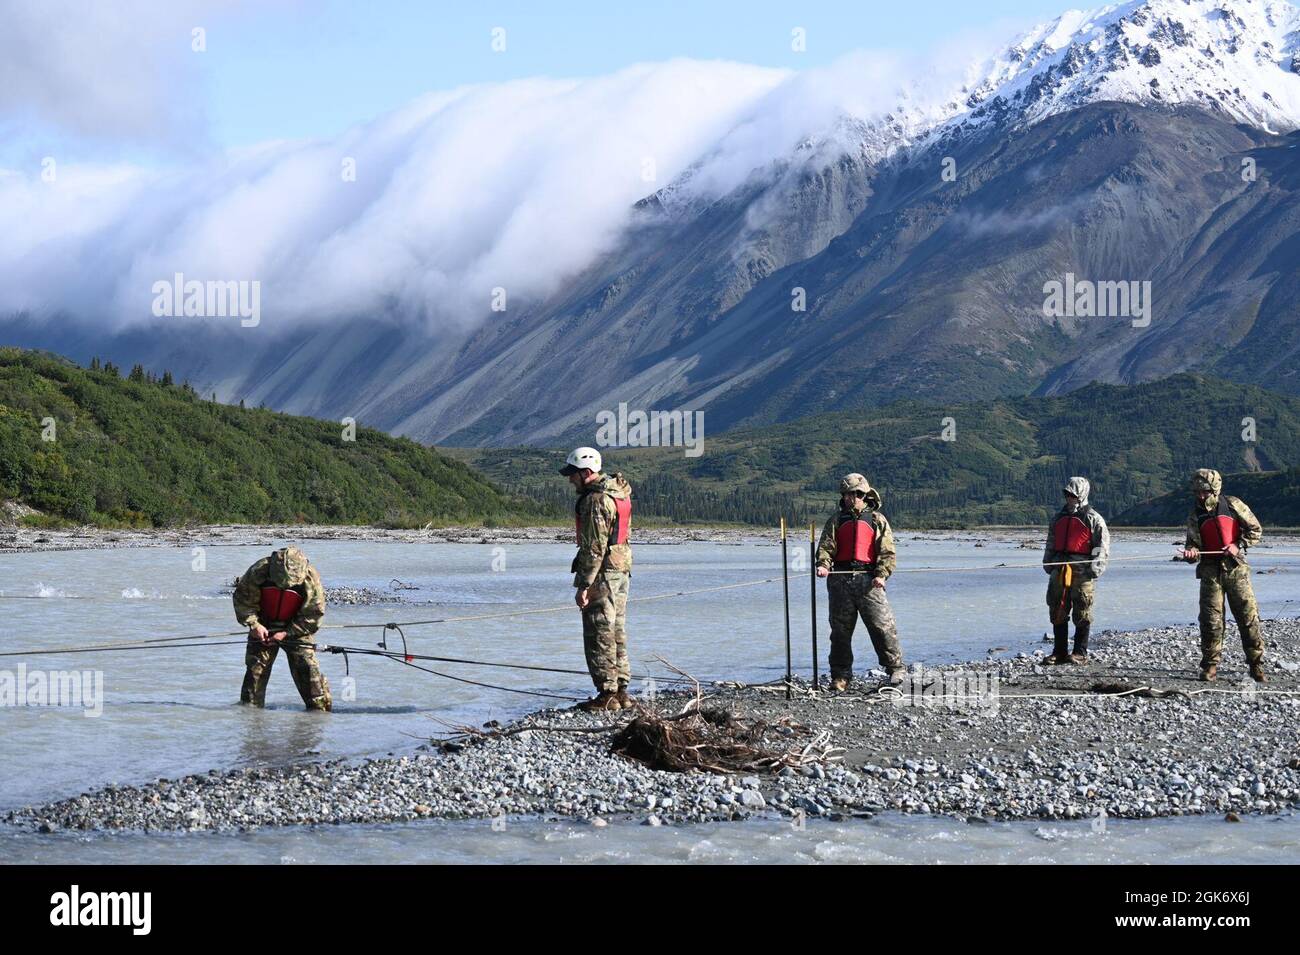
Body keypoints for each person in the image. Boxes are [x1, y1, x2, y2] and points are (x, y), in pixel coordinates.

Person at [815, 473, 905, 691]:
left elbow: (887, 551)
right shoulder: (836, 520)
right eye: (846, 494)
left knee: (882, 626)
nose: (849, 498)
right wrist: (824, 565)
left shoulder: (877, 520)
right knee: (839, 632)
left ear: (863, 495)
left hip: (869, 581)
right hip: (839, 582)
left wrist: (881, 575)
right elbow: (826, 547)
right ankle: (840, 676)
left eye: (854, 494)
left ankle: (895, 671)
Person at [560, 447, 634, 711]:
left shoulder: (595, 501)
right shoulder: (618, 491)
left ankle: (607, 694)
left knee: (598, 632)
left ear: (586, 472)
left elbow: (594, 548)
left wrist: (583, 585)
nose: (570, 480)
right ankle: (622, 691)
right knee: (616, 630)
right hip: (621, 570)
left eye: (573, 474)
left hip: (602, 574)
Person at [1181, 469, 1266, 682]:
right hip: (1210, 572)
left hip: (1236, 569)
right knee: (1210, 621)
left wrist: (1238, 545)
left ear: (1215, 489)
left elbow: (1255, 530)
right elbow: (1193, 544)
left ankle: (1256, 665)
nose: (1201, 496)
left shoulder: (1234, 505)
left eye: (1205, 492)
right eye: (1197, 492)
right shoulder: (1195, 514)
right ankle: (1210, 666)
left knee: (1248, 618)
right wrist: (1191, 553)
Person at [233, 546, 332, 710]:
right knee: (254, 677)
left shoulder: (310, 578)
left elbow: (313, 616)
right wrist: (254, 625)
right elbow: (243, 602)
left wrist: (287, 633)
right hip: (263, 627)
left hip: (296, 629)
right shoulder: (258, 571)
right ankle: (251, 721)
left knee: (309, 672)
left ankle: (318, 717)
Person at [1042, 476, 1110, 664]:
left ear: (1081, 495)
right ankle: (1059, 652)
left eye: (1072, 494)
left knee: (1082, 609)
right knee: (1057, 608)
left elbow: (1101, 546)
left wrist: (1096, 568)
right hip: (1059, 568)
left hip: (1083, 570)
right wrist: (1048, 563)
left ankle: (1080, 652)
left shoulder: (1093, 519)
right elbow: (1051, 541)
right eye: (1067, 494)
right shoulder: (1058, 518)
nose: (1069, 498)